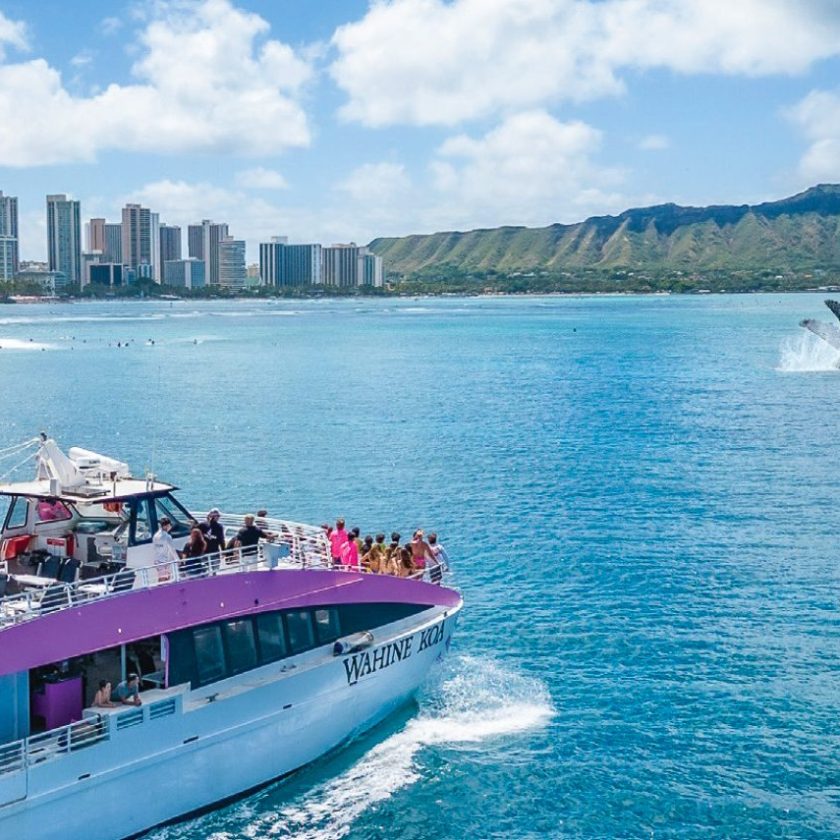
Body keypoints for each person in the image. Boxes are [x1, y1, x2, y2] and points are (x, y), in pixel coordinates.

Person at [152, 517, 179, 582]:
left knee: (163, 578)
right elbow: (172, 549)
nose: (170, 527)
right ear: (166, 526)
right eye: (169, 525)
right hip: (164, 562)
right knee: (164, 580)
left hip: (157, 561)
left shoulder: (155, 535)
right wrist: (177, 559)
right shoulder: (167, 537)